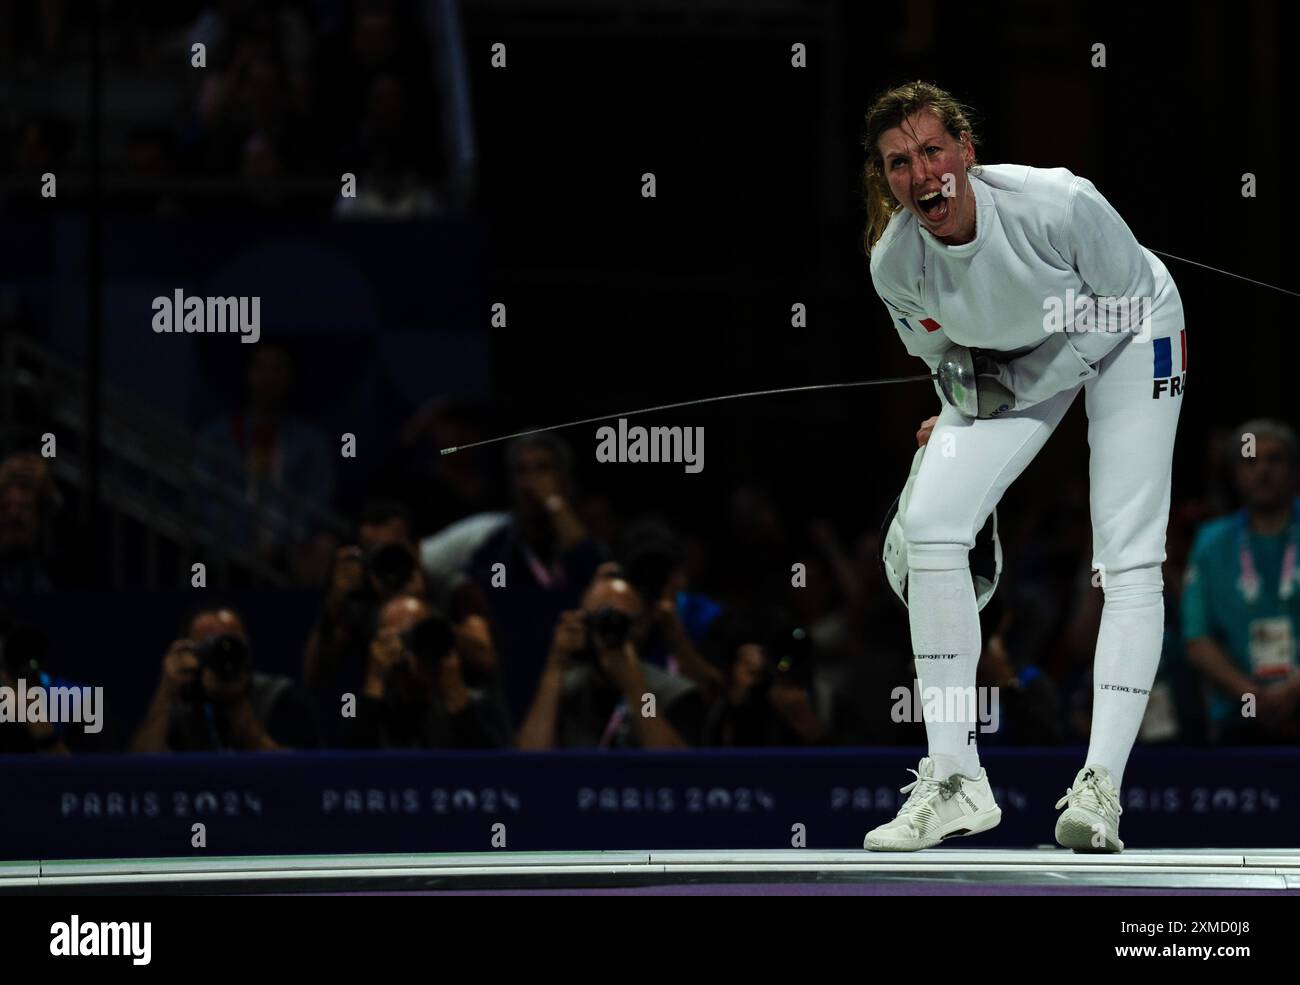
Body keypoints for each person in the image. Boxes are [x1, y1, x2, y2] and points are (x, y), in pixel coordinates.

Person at [860, 81, 1185, 852]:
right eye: (899, 162)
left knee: (1127, 551)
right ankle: (953, 779)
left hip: (1133, 332)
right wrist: (957, 411)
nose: (921, 172)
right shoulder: (894, 264)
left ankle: (1099, 789)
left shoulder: (1060, 204)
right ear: (887, 179)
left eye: (933, 149)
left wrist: (1019, 386)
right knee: (935, 522)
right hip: (1019, 369)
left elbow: (1122, 304)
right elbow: (947, 358)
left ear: (966, 151)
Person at [1183, 419, 1300, 743]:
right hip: (1240, 718)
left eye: (1275, 459)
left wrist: (1292, 690)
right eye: (1250, 460)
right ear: (1236, 473)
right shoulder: (1210, 541)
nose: (1263, 470)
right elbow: (1197, 639)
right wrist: (1252, 695)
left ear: (1294, 470)